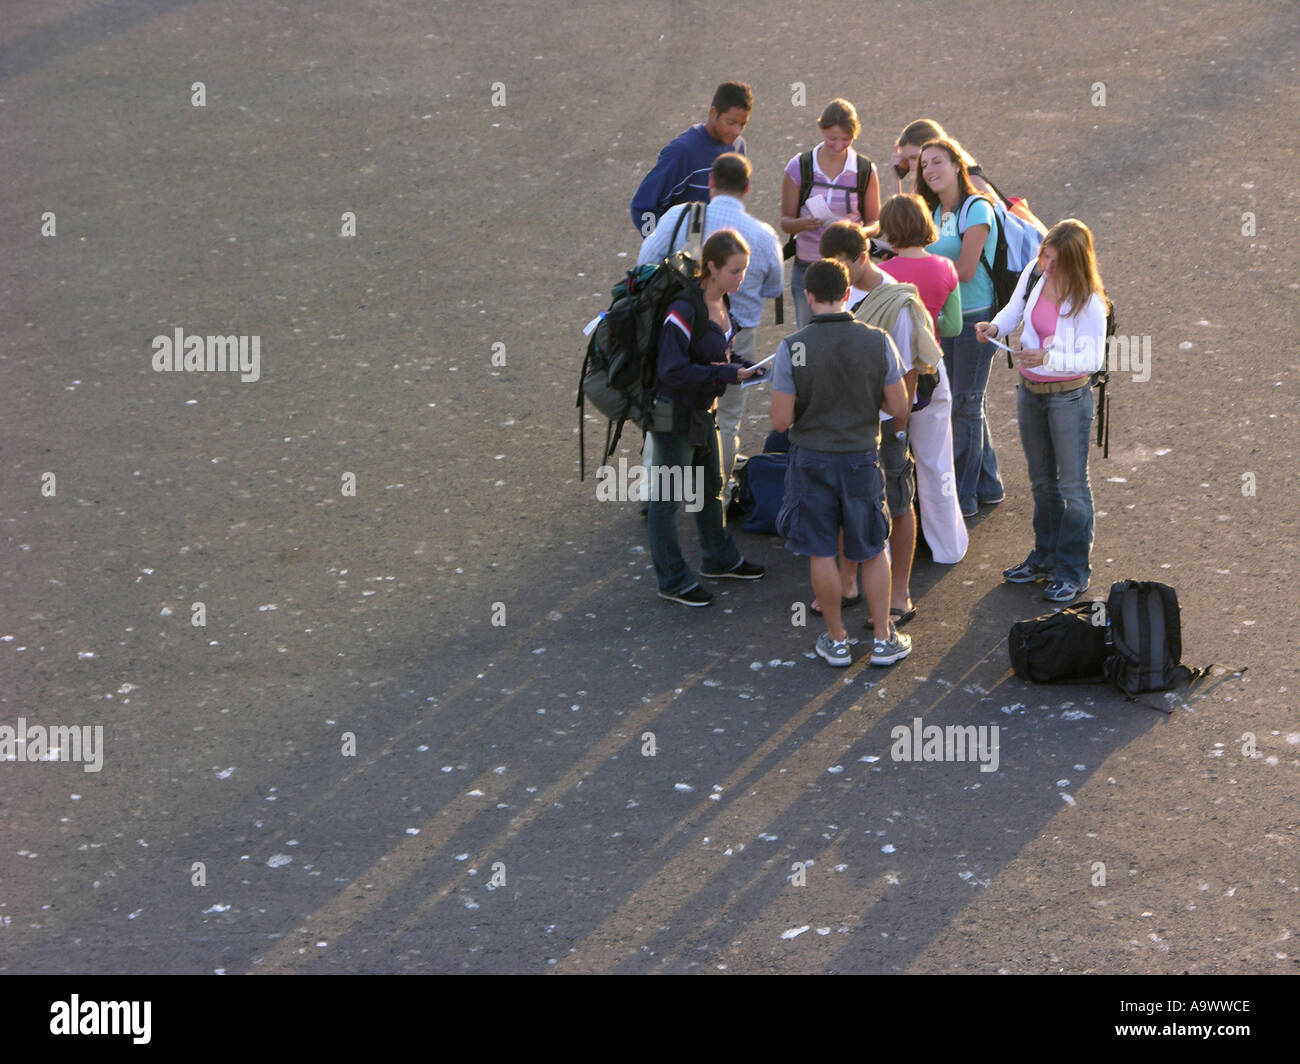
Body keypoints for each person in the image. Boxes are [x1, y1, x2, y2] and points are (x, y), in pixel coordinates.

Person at [769, 258, 912, 668]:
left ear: (809, 295)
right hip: (861, 457)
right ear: (848, 292)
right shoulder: (876, 341)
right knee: (871, 548)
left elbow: (781, 421)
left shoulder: (794, 348)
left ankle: (836, 641)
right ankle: (884, 639)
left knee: (820, 551)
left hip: (811, 460)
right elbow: (899, 405)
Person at [816, 220, 943, 629]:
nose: (837, 273)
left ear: (863, 256)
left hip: (885, 423)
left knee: (898, 504)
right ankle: (848, 582)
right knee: (845, 504)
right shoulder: (837, 290)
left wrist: (900, 427)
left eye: (843, 264)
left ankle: (901, 594)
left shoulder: (895, 302)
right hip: (845, 422)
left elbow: (908, 375)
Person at [976, 220, 1108, 603]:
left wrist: (1049, 356)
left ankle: (1073, 570)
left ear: (1075, 263)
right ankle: (1045, 557)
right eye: (1043, 256)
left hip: (1068, 397)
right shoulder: (1035, 276)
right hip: (1031, 391)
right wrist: (995, 328)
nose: (1044, 265)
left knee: (1071, 486)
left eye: (1053, 261)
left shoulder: (1090, 302)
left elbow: (1093, 358)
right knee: (1040, 482)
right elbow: (1014, 310)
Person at [637, 152, 784, 483]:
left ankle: (655, 488)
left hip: (678, 328)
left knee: (666, 407)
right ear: (747, 187)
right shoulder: (762, 236)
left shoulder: (679, 216)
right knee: (726, 417)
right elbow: (774, 288)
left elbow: (644, 264)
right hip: (734, 334)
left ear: (711, 183)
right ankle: (716, 493)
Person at [648, 229, 766, 606]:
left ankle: (719, 558)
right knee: (667, 503)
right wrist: (726, 374)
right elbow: (671, 370)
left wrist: (746, 367)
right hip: (674, 416)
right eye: (735, 270)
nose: (741, 278)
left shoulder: (721, 300)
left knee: (710, 489)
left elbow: (719, 356)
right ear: (711, 267)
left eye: (744, 270)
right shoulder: (682, 310)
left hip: (702, 412)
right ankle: (673, 581)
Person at [877, 194, 968, 564]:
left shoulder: (885, 275)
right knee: (937, 462)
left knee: (887, 465)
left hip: (889, 378)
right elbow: (954, 325)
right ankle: (948, 547)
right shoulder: (946, 267)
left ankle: (881, 550)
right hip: (932, 372)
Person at [915, 138, 1004, 519]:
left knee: (964, 406)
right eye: (924, 165)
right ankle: (988, 485)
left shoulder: (977, 208)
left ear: (957, 166)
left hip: (977, 319)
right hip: (947, 318)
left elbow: (965, 271)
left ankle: (964, 498)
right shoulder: (936, 213)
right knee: (968, 402)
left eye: (938, 162)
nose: (930, 170)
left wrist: (919, 268)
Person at [780, 99, 880, 329]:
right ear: (821, 129)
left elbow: (875, 222)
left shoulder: (864, 170)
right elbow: (785, 222)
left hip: (853, 269)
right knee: (810, 332)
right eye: (832, 139)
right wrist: (803, 224)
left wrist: (857, 232)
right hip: (810, 267)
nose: (838, 146)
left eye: (846, 139)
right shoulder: (799, 166)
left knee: (855, 332)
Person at [630, 82, 753, 234]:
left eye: (742, 124)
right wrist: (659, 244)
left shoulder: (738, 147)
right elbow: (643, 206)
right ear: (713, 113)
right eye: (731, 122)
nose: (737, 131)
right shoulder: (682, 152)